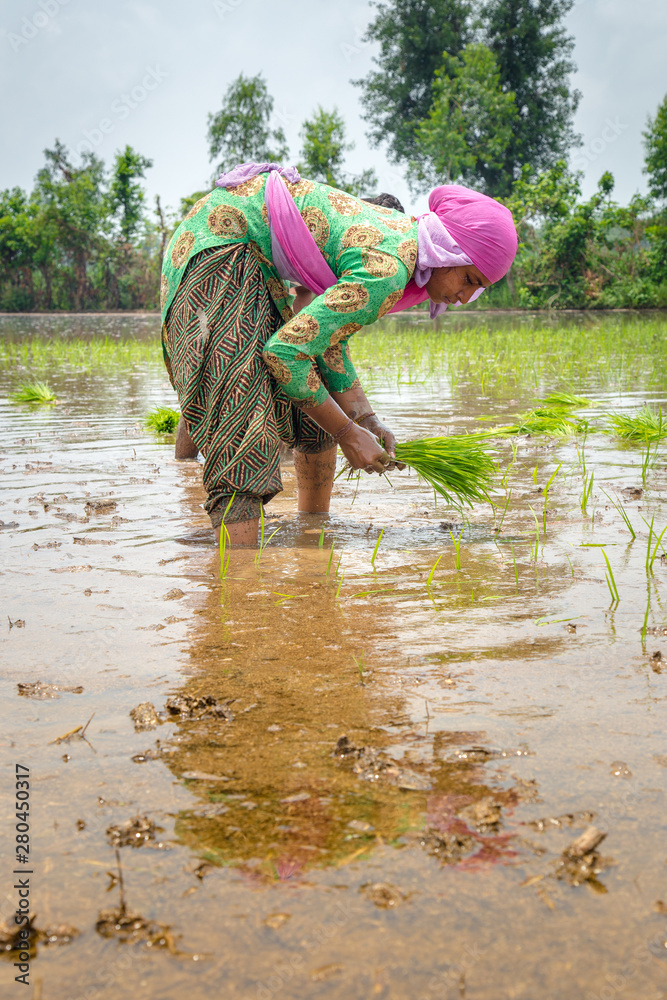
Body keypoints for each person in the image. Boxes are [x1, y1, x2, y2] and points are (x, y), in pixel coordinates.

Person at [161, 164, 517, 546]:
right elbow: (283, 354)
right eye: (469, 280)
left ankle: (312, 535)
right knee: (242, 419)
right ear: (448, 250)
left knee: (315, 411)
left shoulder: (398, 245)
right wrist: (349, 435)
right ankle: (240, 584)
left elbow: (326, 340)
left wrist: (366, 419)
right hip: (217, 249)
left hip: (245, 252)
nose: (465, 297)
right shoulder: (389, 269)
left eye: (478, 290)